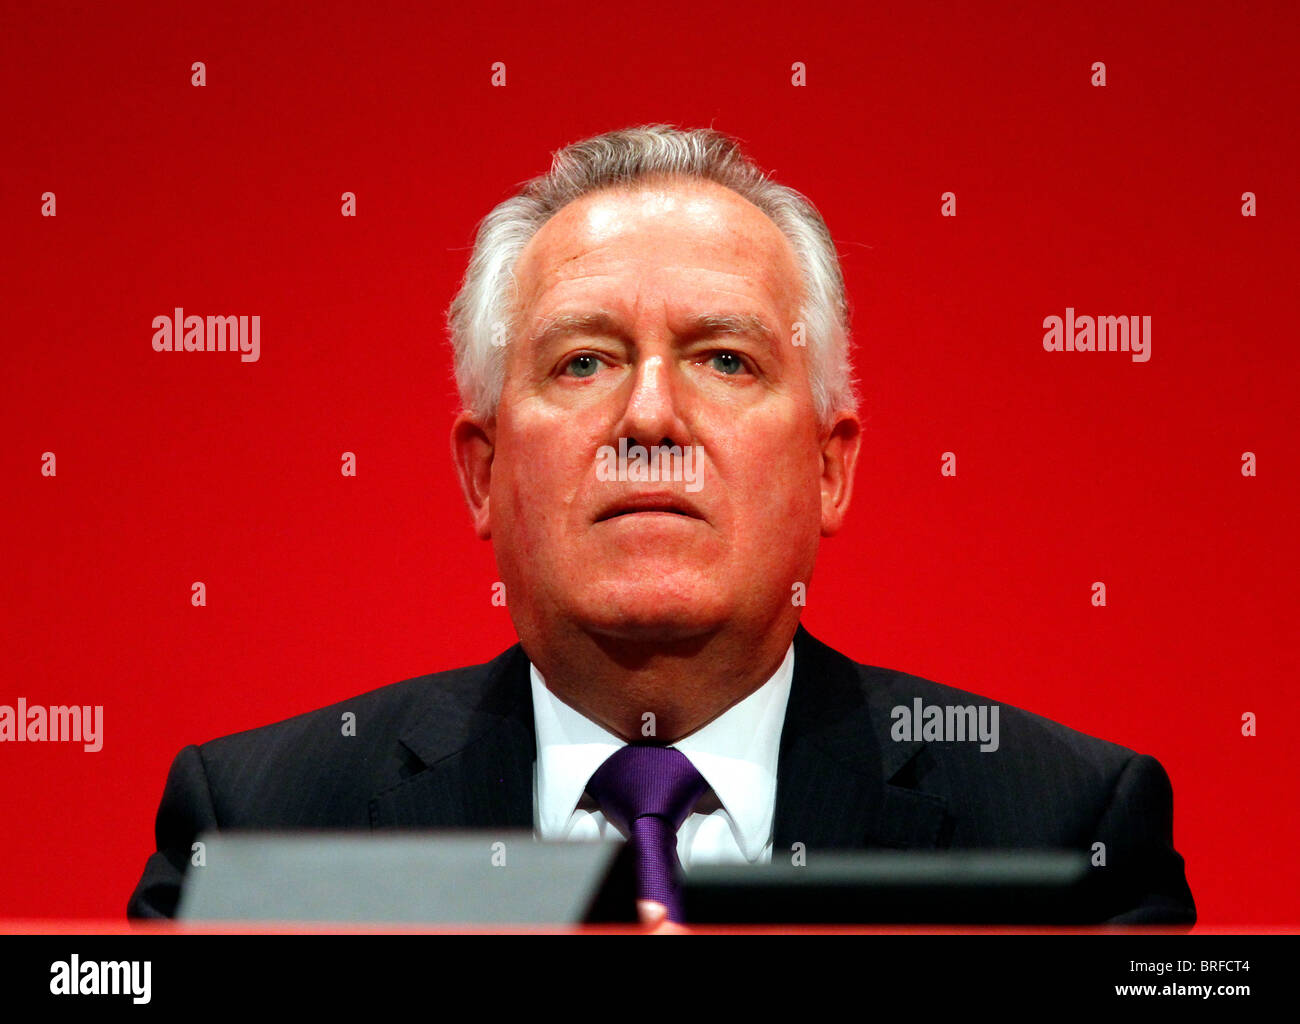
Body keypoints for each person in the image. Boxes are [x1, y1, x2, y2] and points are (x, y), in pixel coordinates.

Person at [128, 125, 1195, 925]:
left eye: (724, 359)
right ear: (483, 473)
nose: (649, 418)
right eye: (582, 360)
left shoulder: (1062, 835)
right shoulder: (257, 834)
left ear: (829, 470)